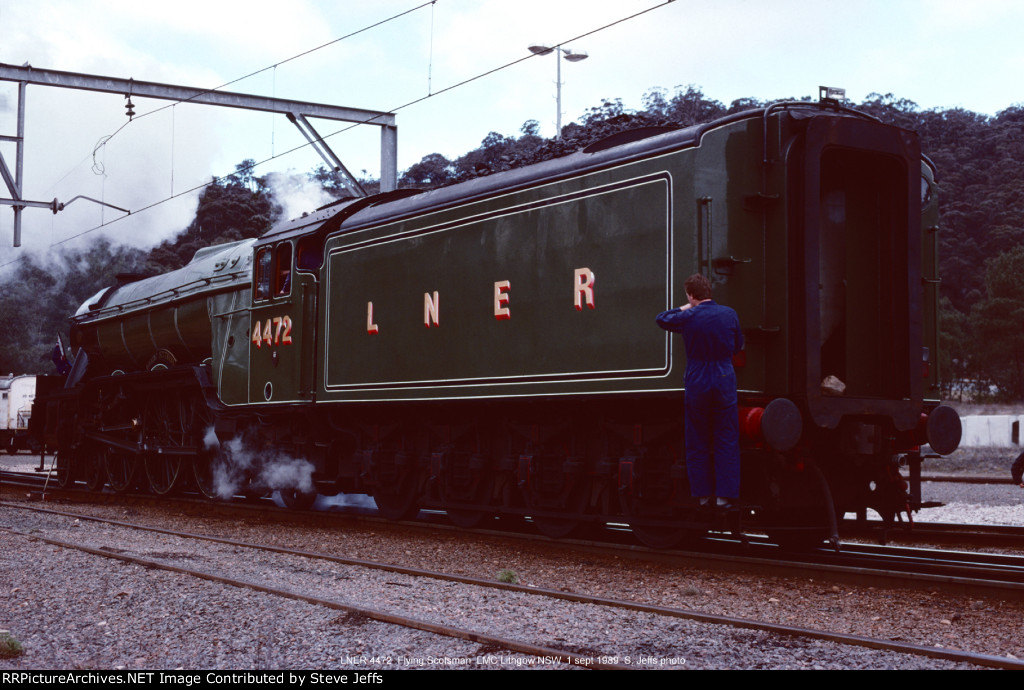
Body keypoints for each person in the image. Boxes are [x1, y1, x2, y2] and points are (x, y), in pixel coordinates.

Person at [655, 274, 744, 509]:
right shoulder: (729, 314)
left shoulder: (689, 316)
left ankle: (703, 495)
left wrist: (687, 305)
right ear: (710, 292)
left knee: (698, 438)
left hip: (698, 379)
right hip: (724, 377)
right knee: (726, 437)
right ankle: (725, 495)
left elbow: (662, 319)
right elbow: (738, 345)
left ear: (691, 294)